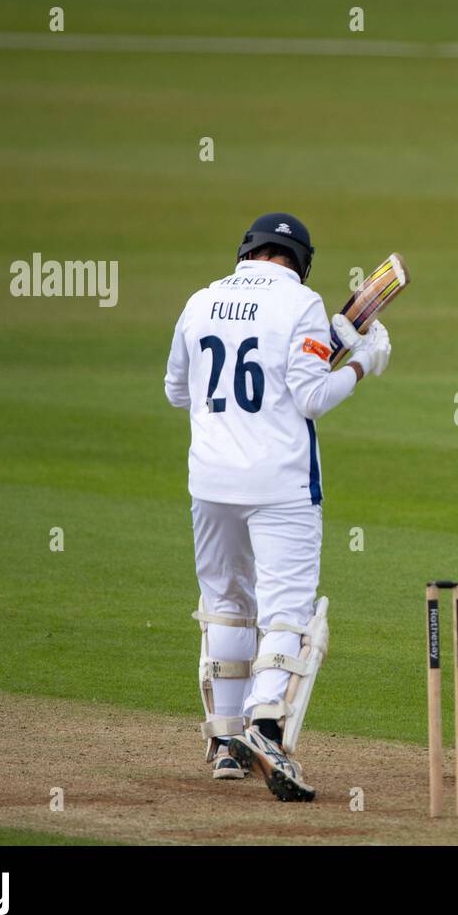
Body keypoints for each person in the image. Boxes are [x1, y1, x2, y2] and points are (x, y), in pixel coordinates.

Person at [164, 212, 390, 800]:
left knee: (225, 606)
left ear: (247, 250)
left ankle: (224, 742)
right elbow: (311, 396)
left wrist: (325, 345)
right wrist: (365, 363)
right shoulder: (302, 303)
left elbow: (175, 390)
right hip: (280, 483)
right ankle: (266, 727)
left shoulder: (200, 300)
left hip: (209, 483)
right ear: (301, 262)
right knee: (288, 612)